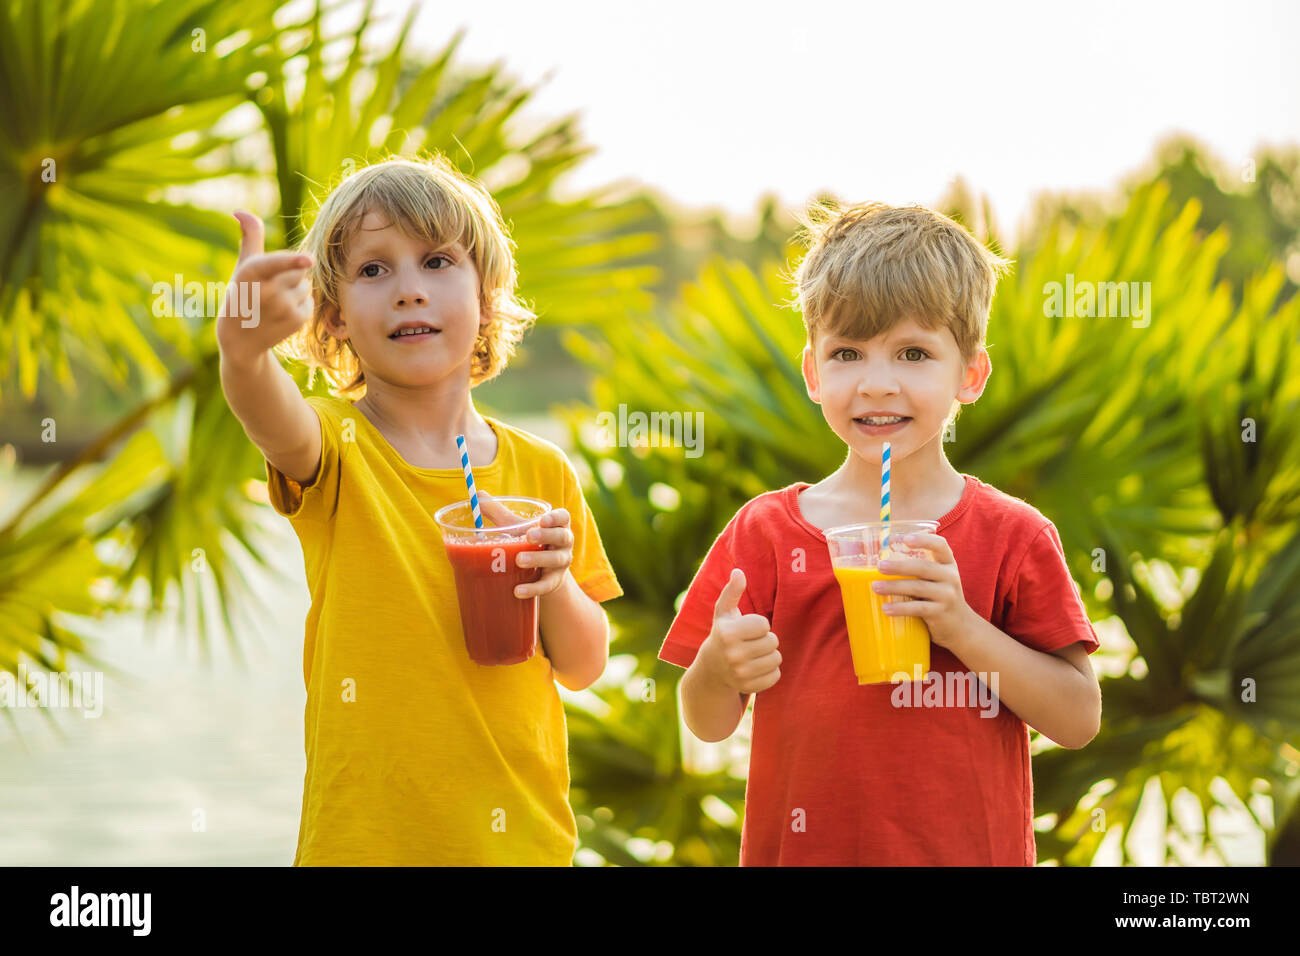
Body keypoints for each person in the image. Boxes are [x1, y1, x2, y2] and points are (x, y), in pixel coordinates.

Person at [659, 201, 1102, 865]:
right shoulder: (766, 533)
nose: (876, 383)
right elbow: (706, 719)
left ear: (970, 375)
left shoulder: (1013, 535)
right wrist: (719, 668)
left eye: (914, 353)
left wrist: (960, 627)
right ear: (813, 373)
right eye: (848, 353)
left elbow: (1078, 718)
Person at [216, 154, 621, 865]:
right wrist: (244, 353)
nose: (409, 292)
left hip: (521, 844)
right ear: (334, 317)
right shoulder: (335, 449)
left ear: (488, 300)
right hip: (365, 845)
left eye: (437, 262)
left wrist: (553, 579)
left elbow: (585, 664)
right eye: (374, 270)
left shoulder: (541, 472)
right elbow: (267, 414)